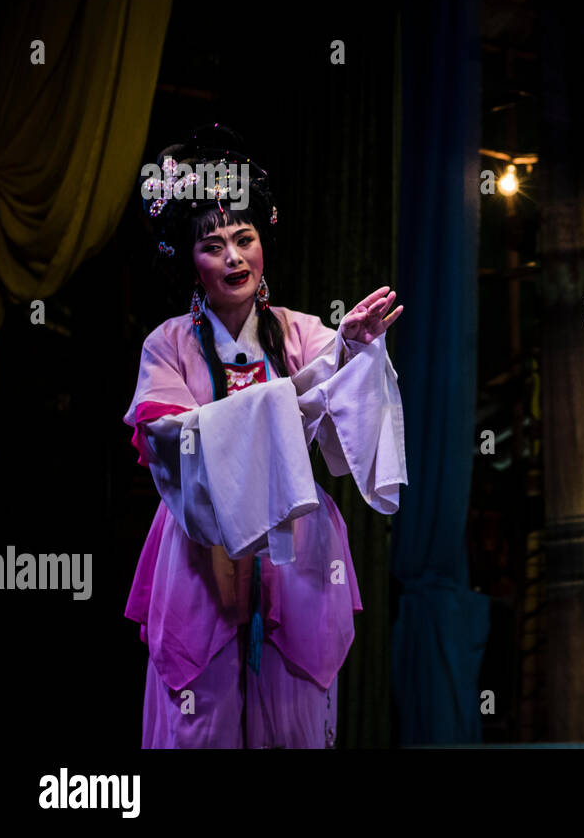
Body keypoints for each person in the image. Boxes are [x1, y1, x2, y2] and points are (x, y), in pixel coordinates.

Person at [123, 125, 406, 748]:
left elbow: (344, 404)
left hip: (295, 544)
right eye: (214, 245)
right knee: (200, 717)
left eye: (245, 239)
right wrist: (286, 402)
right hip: (201, 549)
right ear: (190, 260)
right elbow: (170, 443)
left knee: (297, 713)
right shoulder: (167, 345)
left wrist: (354, 350)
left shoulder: (299, 330)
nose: (234, 258)